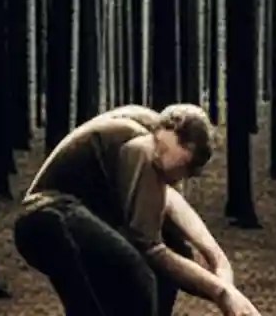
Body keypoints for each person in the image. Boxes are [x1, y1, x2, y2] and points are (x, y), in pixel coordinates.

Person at [14, 103, 263, 316]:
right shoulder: (143, 146)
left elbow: (171, 203)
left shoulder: (153, 136)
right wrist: (220, 292)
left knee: (173, 254)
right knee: (136, 273)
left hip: (66, 218)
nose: (170, 170)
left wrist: (217, 259)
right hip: (46, 214)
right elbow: (150, 247)